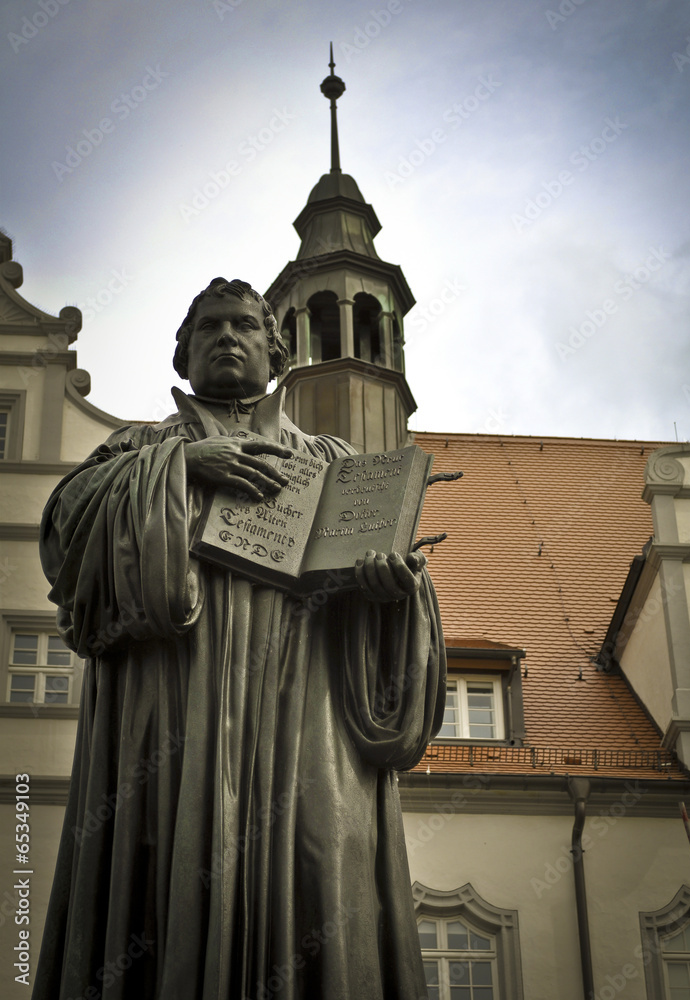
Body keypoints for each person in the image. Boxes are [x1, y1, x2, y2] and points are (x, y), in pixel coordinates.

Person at [33, 278, 445, 1000]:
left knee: (317, 873)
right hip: (169, 715)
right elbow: (67, 546)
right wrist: (179, 468)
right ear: (185, 353)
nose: (226, 337)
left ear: (274, 349)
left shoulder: (336, 464)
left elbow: (391, 595)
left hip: (305, 718)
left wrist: (391, 594)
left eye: (244, 327)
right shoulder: (137, 447)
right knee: (159, 882)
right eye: (209, 327)